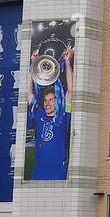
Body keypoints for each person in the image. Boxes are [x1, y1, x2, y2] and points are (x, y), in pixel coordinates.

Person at [28, 45, 74, 180]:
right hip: (38, 170)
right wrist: (33, 65)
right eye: (46, 100)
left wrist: (67, 62)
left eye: (51, 100)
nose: (47, 103)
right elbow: (29, 93)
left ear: (57, 101)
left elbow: (70, 91)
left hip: (57, 170)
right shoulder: (39, 114)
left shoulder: (64, 116)